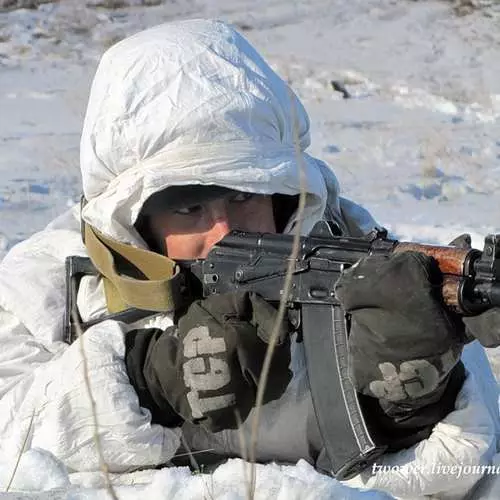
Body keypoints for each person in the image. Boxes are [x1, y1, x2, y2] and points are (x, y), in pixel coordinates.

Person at [0, 19, 498, 499]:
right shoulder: (41, 291)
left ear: (282, 195)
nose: (223, 231)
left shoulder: (370, 266)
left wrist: (410, 408)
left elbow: (476, 477)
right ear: (137, 219)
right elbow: (11, 454)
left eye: (244, 198)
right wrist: (146, 380)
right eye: (190, 208)